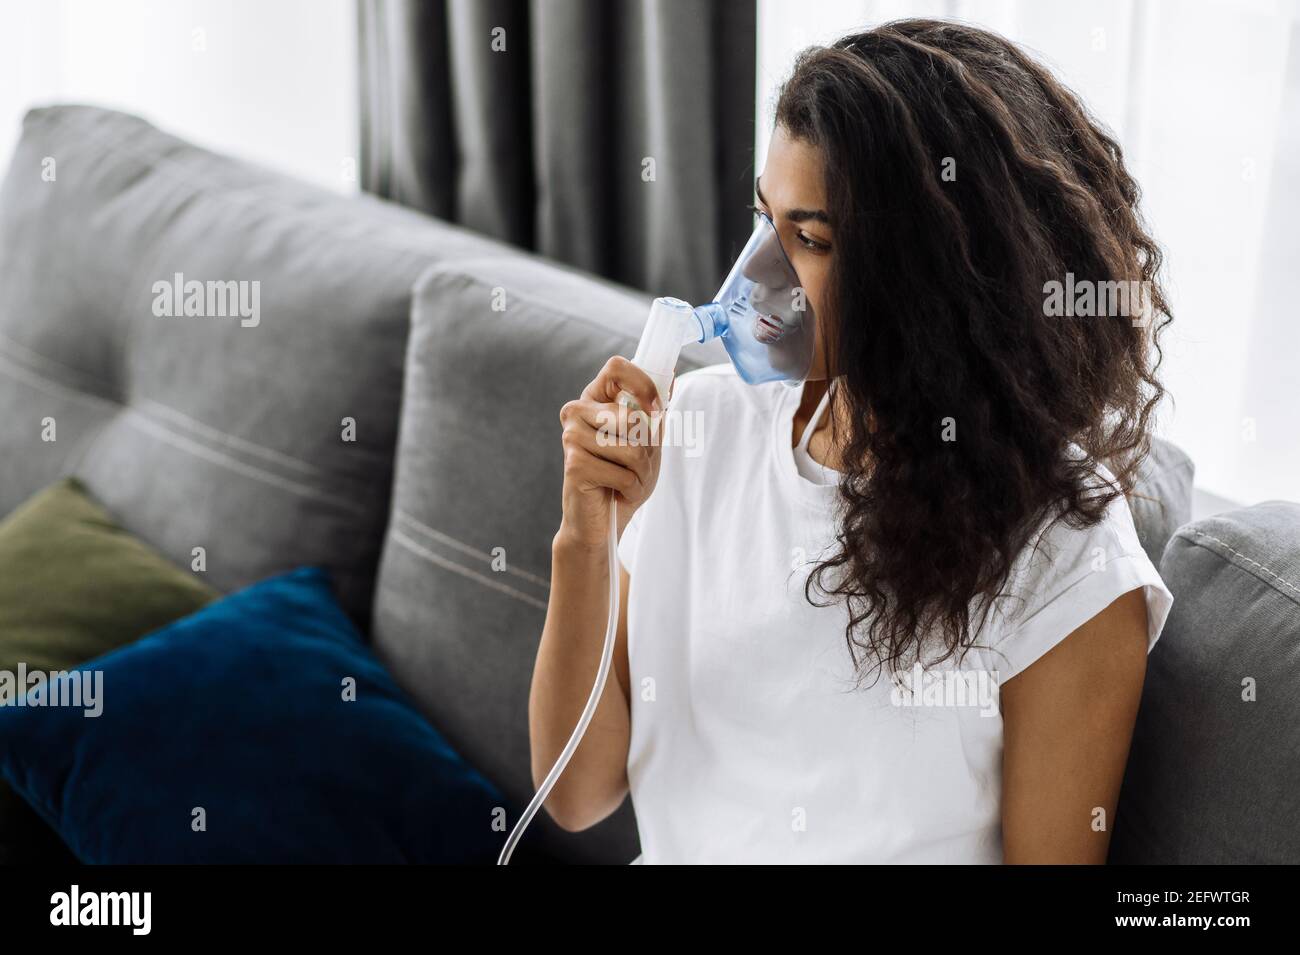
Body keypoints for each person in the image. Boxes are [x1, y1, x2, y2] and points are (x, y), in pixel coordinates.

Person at [529, 18, 1174, 864]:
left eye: (812, 239)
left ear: (941, 272)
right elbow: (574, 794)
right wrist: (589, 533)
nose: (757, 274)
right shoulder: (697, 427)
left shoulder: (1066, 556)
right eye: (764, 219)